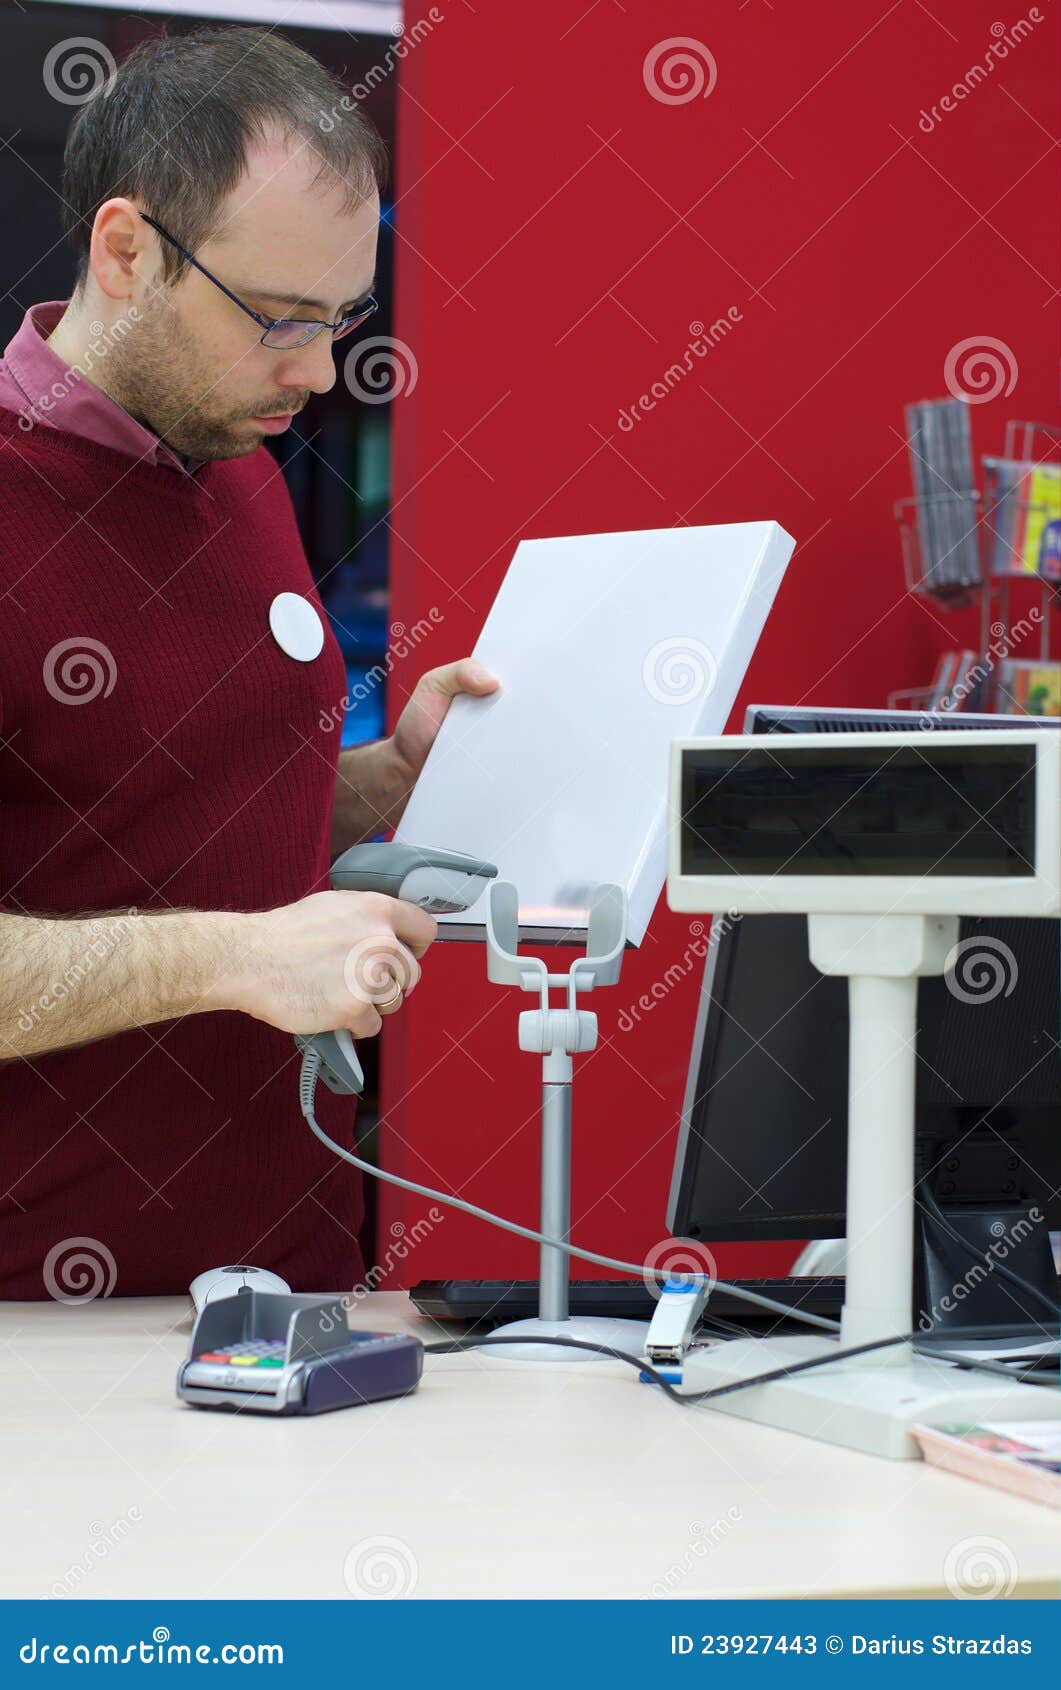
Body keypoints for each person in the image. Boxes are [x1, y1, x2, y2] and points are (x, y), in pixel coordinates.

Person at [0, 26, 497, 1297]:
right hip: (45, 1330)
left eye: (342, 318)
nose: (319, 370)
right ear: (125, 250)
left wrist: (381, 780)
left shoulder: (231, 462)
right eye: (276, 318)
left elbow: (138, 826)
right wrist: (236, 957)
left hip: (291, 1292)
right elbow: (221, 925)